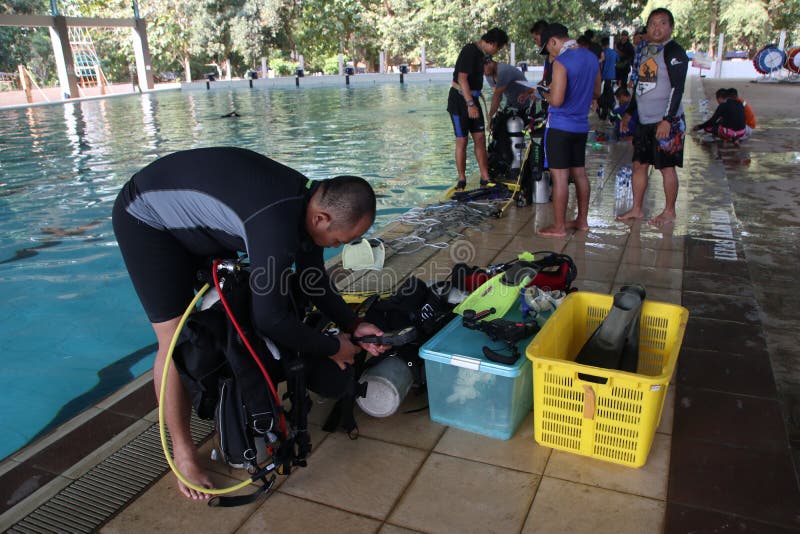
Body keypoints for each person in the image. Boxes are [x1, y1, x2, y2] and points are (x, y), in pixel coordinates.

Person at [112, 147, 388, 499]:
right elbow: (270, 319)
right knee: (176, 338)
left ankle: (235, 408)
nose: (337, 246)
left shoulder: (307, 205)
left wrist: (353, 324)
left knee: (227, 316)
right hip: (146, 220)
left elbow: (312, 278)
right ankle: (182, 452)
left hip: (195, 223)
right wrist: (335, 347)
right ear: (321, 218)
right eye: (339, 241)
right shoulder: (275, 221)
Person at [617, 8, 689, 227]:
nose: (657, 28)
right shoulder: (646, 50)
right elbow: (641, 86)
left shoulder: (674, 51)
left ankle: (669, 211)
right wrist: (629, 113)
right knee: (639, 164)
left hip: (666, 121)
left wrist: (667, 119)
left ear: (671, 27)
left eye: (662, 23)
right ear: (647, 28)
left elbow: (678, 88)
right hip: (644, 120)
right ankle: (637, 208)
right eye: (653, 24)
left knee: (667, 167)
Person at [537, 23, 601, 238]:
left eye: (549, 48)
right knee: (580, 174)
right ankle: (582, 221)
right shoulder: (591, 57)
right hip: (581, 126)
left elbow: (556, 100)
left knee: (560, 178)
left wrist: (542, 92)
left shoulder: (561, 62)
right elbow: (597, 91)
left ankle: (559, 227)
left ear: (554, 41)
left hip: (560, 127)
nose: (550, 54)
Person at [448, 27, 509, 190]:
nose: (497, 52)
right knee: (462, 139)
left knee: (480, 137)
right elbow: (462, 79)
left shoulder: (483, 55)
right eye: (498, 48)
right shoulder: (470, 51)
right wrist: (469, 104)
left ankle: (485, 177)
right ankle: (461, 179)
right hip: (460, 101)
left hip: (472, 98)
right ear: (492, 43)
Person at [598, 36, 619, 120]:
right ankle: (608, 111)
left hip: (603, 76)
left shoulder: (602, 53)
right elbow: (617, 61)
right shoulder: (614, 53)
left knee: (604, 95)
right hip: (612, 76)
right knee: (609, 94)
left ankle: (605, 111)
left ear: (602, 44)